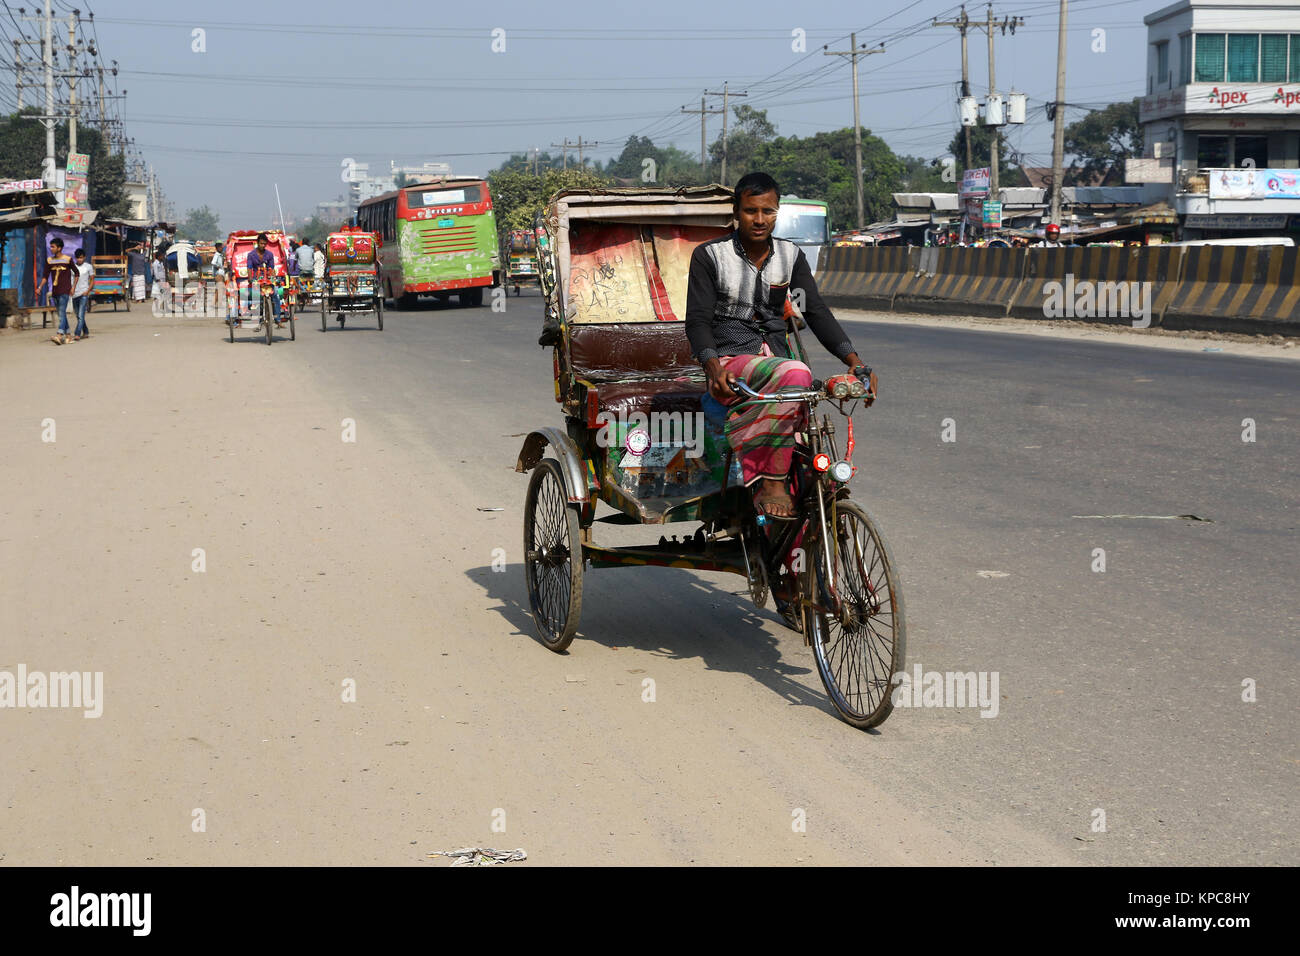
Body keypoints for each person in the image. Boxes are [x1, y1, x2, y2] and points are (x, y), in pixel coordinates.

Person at [685, 171, 876, 522]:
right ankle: (771, 482)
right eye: (751, 211)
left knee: (811, 454)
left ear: (777, 212)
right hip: (733, 363)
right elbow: (696, 321)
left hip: (778, 363)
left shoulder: (790, 255)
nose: (760, 220)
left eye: (768, 211)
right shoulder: (710, 256)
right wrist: (713, 367)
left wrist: (855, 362)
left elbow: (816, 312)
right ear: (736, 212)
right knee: (797, 373)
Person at [244, 232, 282, 325]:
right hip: (257, 279)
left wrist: (274, 278)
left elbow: (272, 268)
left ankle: (278, 318)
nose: (263, 245)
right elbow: (249, 268)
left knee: (276, 295)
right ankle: (255, 317)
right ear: (257, 243)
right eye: (261, 243)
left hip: (267, 279)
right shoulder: (251, 255)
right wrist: (250, 278)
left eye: (265, 244)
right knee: (255, 297)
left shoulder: (269, 254)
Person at [44, 237, 75, 344]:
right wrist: (39, 287)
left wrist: (73, 287)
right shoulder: (50, 260)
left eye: (53, 247)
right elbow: (45, 275)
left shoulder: (68, 259)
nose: (51, 248)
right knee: (61, 314)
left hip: (65, 290)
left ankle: (59, 334)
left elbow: (77, 274)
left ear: (59, 248)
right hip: (55, 291)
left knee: (62, 312)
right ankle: (69, 336)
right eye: (51, 246)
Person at [70, 248, 95, 340]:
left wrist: (87, 291)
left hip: (84, 294)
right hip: (74, 294)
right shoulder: (72, 267)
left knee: (81, 315)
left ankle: (77, 333)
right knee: (78, 315)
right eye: (77, 258)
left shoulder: (88, 267)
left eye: (81, 258)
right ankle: (86, 331)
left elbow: (92, 280)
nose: (79, 260)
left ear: (84, 257)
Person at [151, 249, 170, 313]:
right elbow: (156, 273)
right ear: (159, 257)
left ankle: (159, 308)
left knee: (162, 295)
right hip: (158, 281)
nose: (162, 257)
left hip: (162, 280)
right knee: (157, 295)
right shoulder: (155, 264)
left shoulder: (161, 263)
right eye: (161, 256)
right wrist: (158, 280)